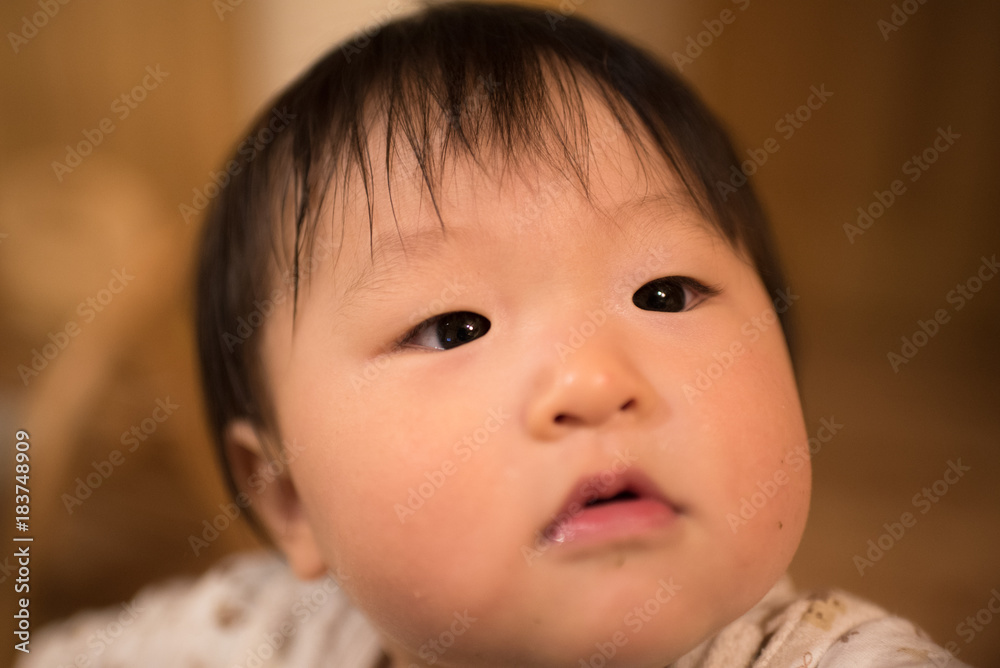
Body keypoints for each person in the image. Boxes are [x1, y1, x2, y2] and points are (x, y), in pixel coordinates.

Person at [21, 3, 970, 666]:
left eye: (665, 293)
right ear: (290, 499)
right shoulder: (254, 640)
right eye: (453, 327)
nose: (594, 381)